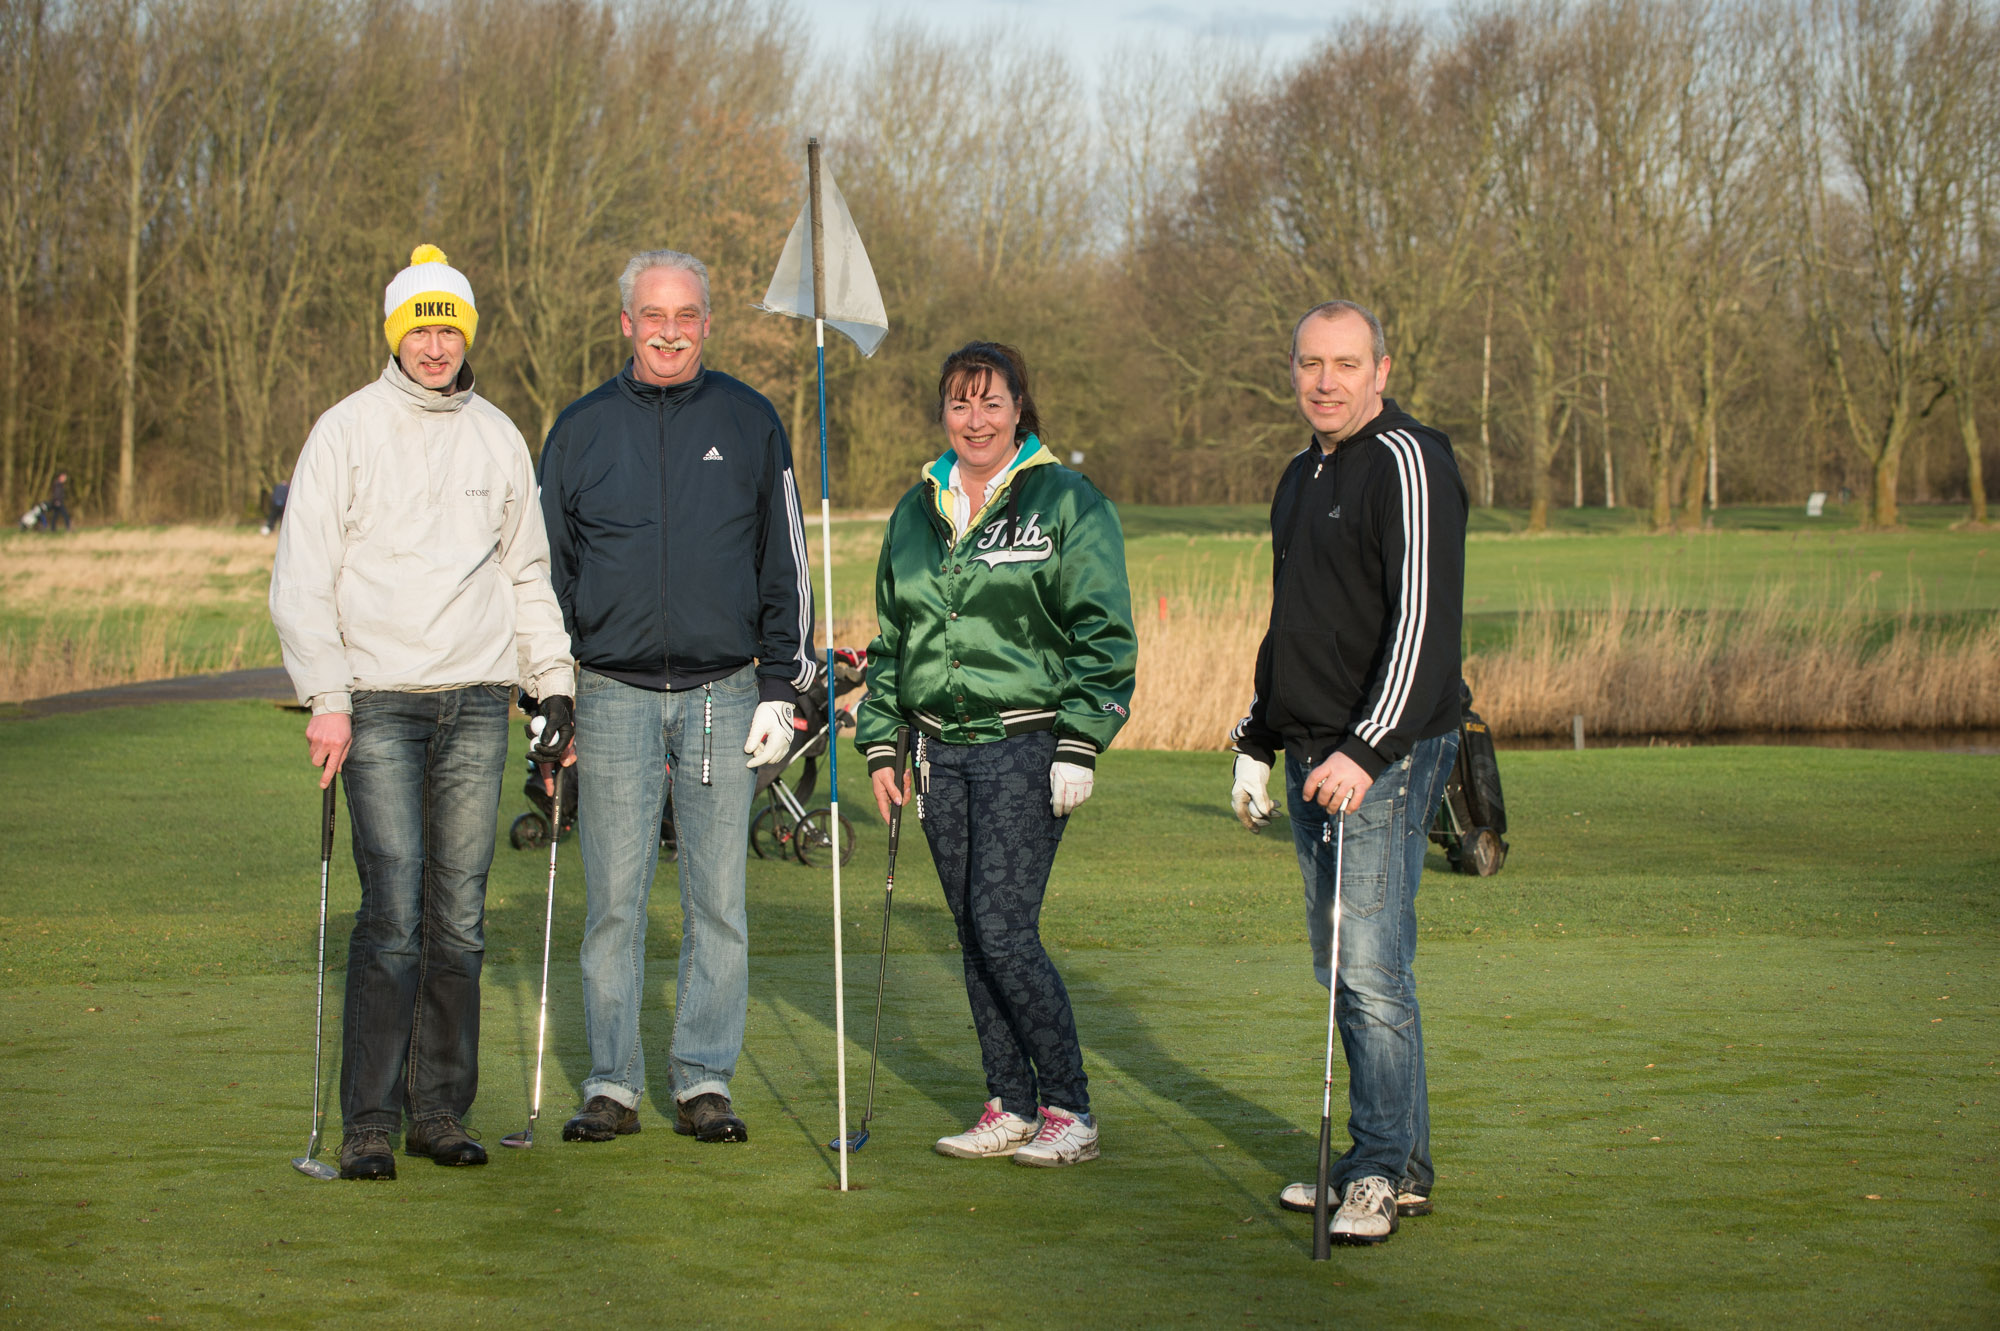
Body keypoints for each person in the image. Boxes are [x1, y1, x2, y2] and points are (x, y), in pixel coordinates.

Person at [269, 244, 575, 1181]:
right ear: (396, 334)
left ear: (466, 332)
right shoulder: (345, 430)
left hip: (479, 701)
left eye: (449, 325)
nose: (436, 343)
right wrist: (325, 697)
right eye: (420, 326)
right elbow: (302, 578)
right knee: (395, 912)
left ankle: (439, 1109)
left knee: (463, 916)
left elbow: (527, 574)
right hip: (376, 703)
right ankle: (367, 1119)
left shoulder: (499, 436)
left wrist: (553, 684)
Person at [538, 248, 816, 1146]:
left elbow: (787, 564)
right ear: (626, 322)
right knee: (614, 902)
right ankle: (612, 1083)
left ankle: (703, 1077)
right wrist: (548, 692)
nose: (669, 330)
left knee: (718, 902)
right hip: (611, 692)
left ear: (707, 322)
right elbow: (544, 574)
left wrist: (786, 683)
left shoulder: (750, 420)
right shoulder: (579, 430)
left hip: (725, 692)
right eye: (653, 314)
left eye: (686, 314)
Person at [856, 341, 1136, 1168]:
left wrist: (1081, 742)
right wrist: (881, 743)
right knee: (974, 935)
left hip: (1028, 747)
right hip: (941, 752)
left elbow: (1103, 632)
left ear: (1021, 408)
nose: (974, 419)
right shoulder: (918, 509)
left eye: (990, 402)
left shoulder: (1065, 501)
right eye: (958, 403)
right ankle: (1009, 1100)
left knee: (1005, 930)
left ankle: (1071, 1107)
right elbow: (894, 638)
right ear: (943, 413)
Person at [1227, 300, 1467, 1244]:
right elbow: (1295, 623)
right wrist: (1255, 732)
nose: (1325, 380)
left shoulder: (1409, 463)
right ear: (1291, 370)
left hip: (1386, 753)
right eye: (1309, 364)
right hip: (1310, 746)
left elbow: (1422, 629)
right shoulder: (1299, 474)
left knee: (1370, 967)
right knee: (1341, 965)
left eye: (1345, 363)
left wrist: (1365, 751)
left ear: (1382, 369)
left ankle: (1377, 1170)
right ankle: (1396, 1160)